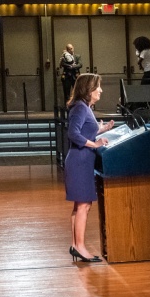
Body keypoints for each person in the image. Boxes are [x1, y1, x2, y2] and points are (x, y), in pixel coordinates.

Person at [64, 73, 114, 262]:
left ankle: (76, 245)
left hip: (82, 161)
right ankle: (80, 247)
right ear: (88, 89)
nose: (100, 90)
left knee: (81, 205)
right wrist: (96, 144)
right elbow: (73, 133)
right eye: (97, 86)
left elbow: (84, 130)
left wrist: (101, 129)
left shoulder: (84, 107)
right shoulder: (80, 108)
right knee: (84, 205)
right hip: (79, 161)